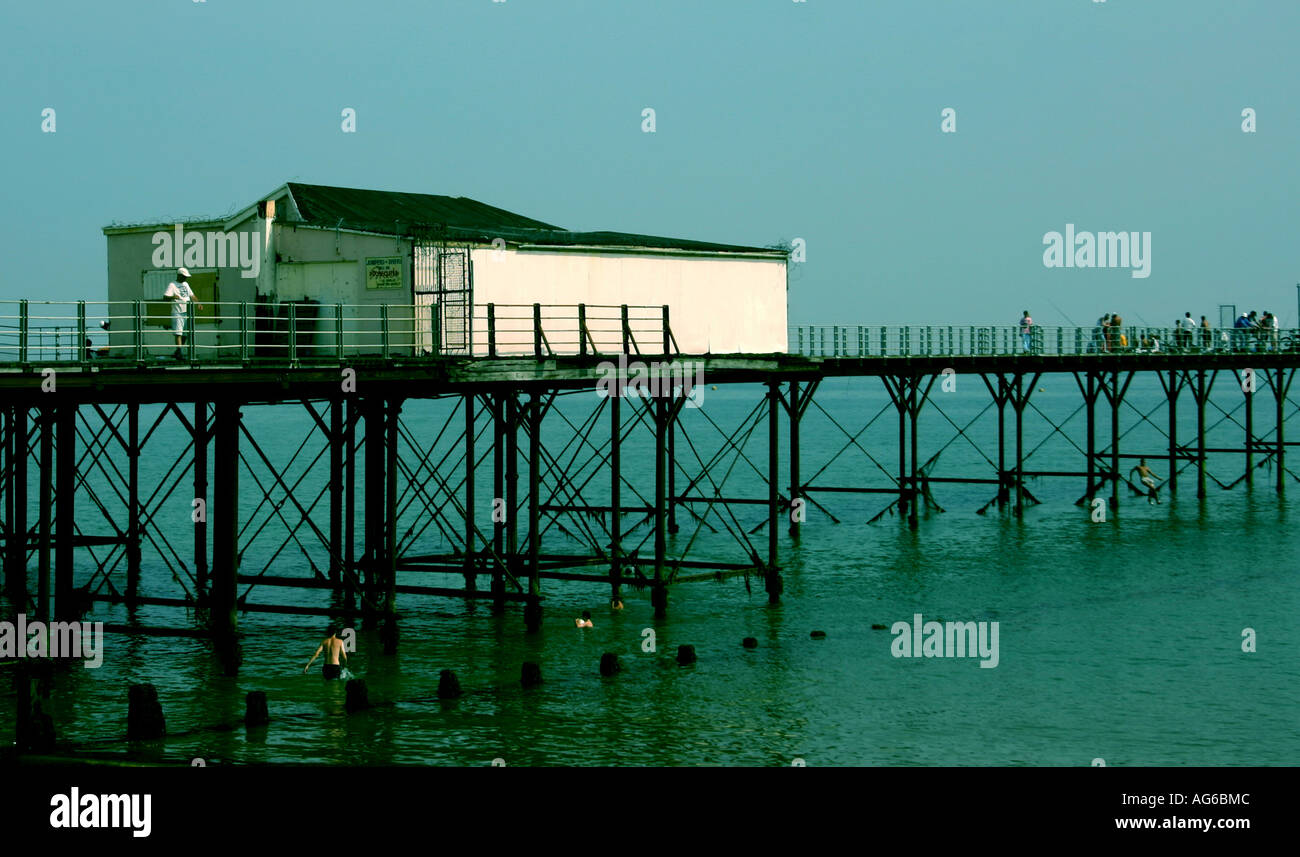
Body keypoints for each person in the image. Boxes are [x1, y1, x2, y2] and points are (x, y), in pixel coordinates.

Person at [163, 267, 202, 359]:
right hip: (177, 312)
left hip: (187, 312)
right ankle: (179, 352)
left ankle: (178, 351)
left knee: (185, 334)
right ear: (179, 275)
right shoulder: (172, 285)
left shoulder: (186, 284)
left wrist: (198, 303)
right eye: (184, 276)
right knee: (178, 333)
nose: (185, 278)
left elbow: (192, 295)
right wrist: (173, 297)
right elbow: (165, 297)